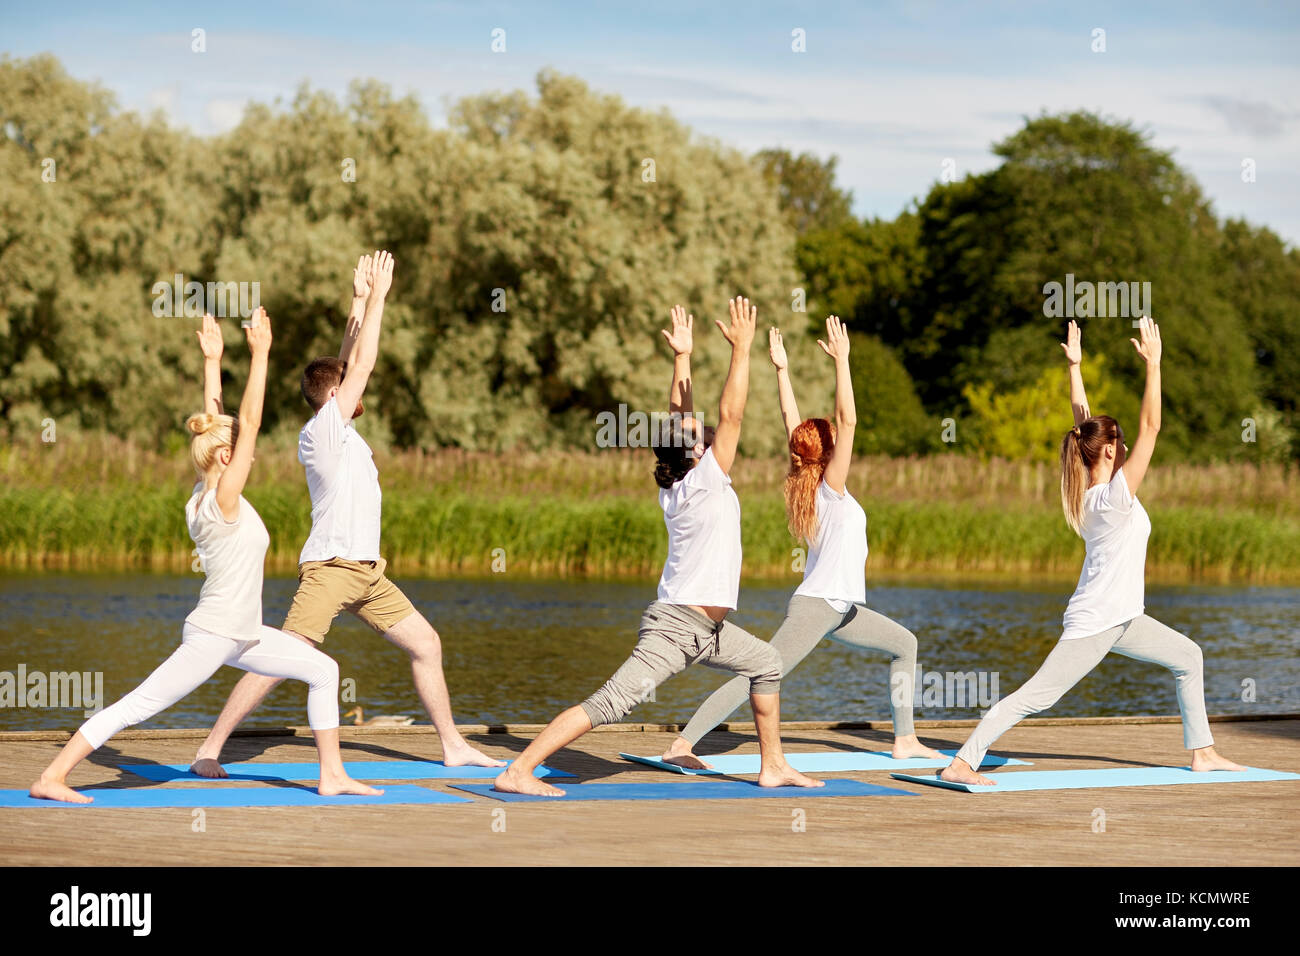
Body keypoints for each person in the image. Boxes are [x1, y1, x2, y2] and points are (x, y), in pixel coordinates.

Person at [30, 310, 380, 802]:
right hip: (216, 635)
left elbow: (215, 423)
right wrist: (260, 355)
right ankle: (50, 777)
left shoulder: (203, 493)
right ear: (224, 458)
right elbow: (250, 421)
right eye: (238, 452)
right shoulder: (223, 501)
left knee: (323, 670)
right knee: (138, 706)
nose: (249, 455)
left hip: (242, 633)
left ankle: (332, 775)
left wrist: (212, 361)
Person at [494, 299, 825, 796]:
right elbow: (731, 414)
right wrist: (742, 350)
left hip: (709, 629)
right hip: (677, 628)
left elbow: (679, 416)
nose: (705, 433)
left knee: (766, 663)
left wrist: (683, 358)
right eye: (700, 437)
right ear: (696, 453)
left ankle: (773, 766)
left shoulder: (683, 482)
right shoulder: (704, 481)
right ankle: (518, 771)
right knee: (609, 703)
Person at [190, 252, 502, 777]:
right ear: (334, 397)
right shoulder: (323, 434)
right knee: (285, 657)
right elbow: (358, 366)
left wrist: (356, 302)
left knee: (427, 644)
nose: (364, 391)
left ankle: (452, 744)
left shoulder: (337, 428)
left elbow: (344, 363)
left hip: (368, 572)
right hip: (332, 570)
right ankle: (210, 748)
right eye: (351, 389)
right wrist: (381, 297)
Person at [940, 317, 1245, 786]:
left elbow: (1084, 424)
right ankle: (962, 762)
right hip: (1097, 620)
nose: (1123, 446)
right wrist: (1154, 366)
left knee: (1188, 656)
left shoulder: (1094, 488)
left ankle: (1202, 751)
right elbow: (1152, 425)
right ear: (1108, 453)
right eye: (1117, 441)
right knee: (1037, 695)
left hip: (1124, 618)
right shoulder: (1111, 499)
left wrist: (1075, 367)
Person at [662, 316, 944, 769]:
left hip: (841, 606)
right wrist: (843, 362)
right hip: (817, 607)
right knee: (761, 670)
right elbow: (848, 418)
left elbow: (794, 429)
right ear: (830, 452)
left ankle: (905, 739)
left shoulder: (806, 481)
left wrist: (782, 372)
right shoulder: (830, 486)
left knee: (904, 644)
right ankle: (683, 744)